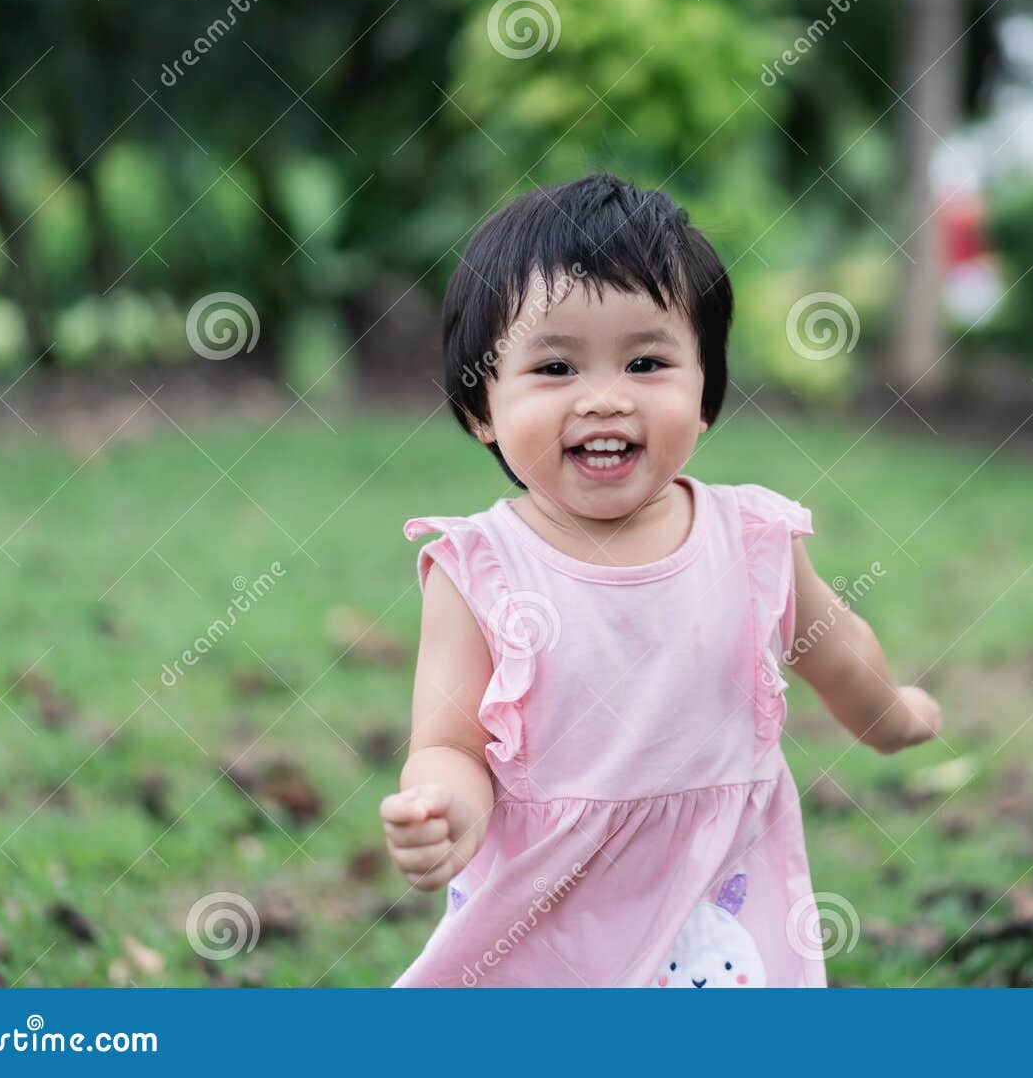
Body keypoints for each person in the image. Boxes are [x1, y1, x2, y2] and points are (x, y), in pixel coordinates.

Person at [380, 173, 942, 987]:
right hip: (545, 927)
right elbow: (447, 741)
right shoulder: (480, 571)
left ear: (704, 395)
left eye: (646, 361)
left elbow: (837, 652)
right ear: (481, 409)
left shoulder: (753, 541)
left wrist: (895, 716)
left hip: (711, 911)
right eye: (555, 366)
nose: (604, 399)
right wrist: (445, 807)